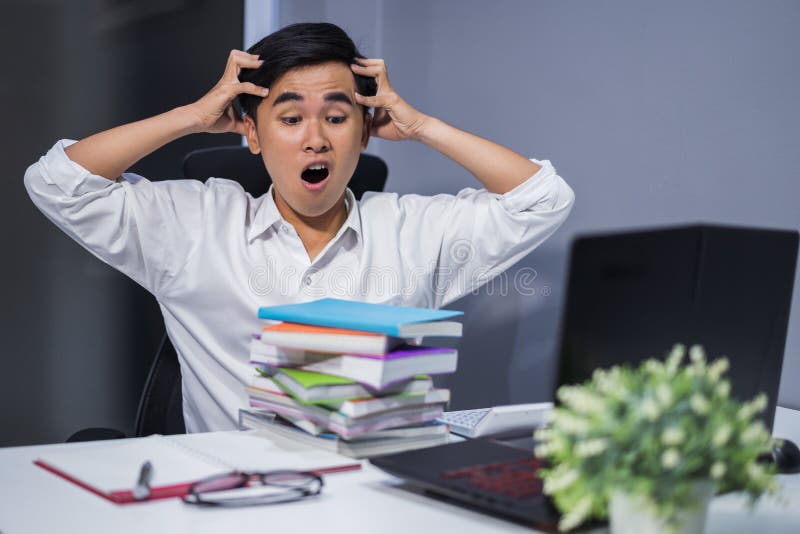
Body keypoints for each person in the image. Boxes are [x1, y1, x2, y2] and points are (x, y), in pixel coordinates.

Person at [24, 22, 575, 432]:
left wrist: (422, 124)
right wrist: (193, 116)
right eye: (290, 118)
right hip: (234, 503)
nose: (315, 138)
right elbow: (57, 182)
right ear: (253, 135)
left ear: (364, 134)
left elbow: (543, 199)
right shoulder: (196, 225)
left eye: (336, 118)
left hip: (378, 502)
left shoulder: (414, 229)